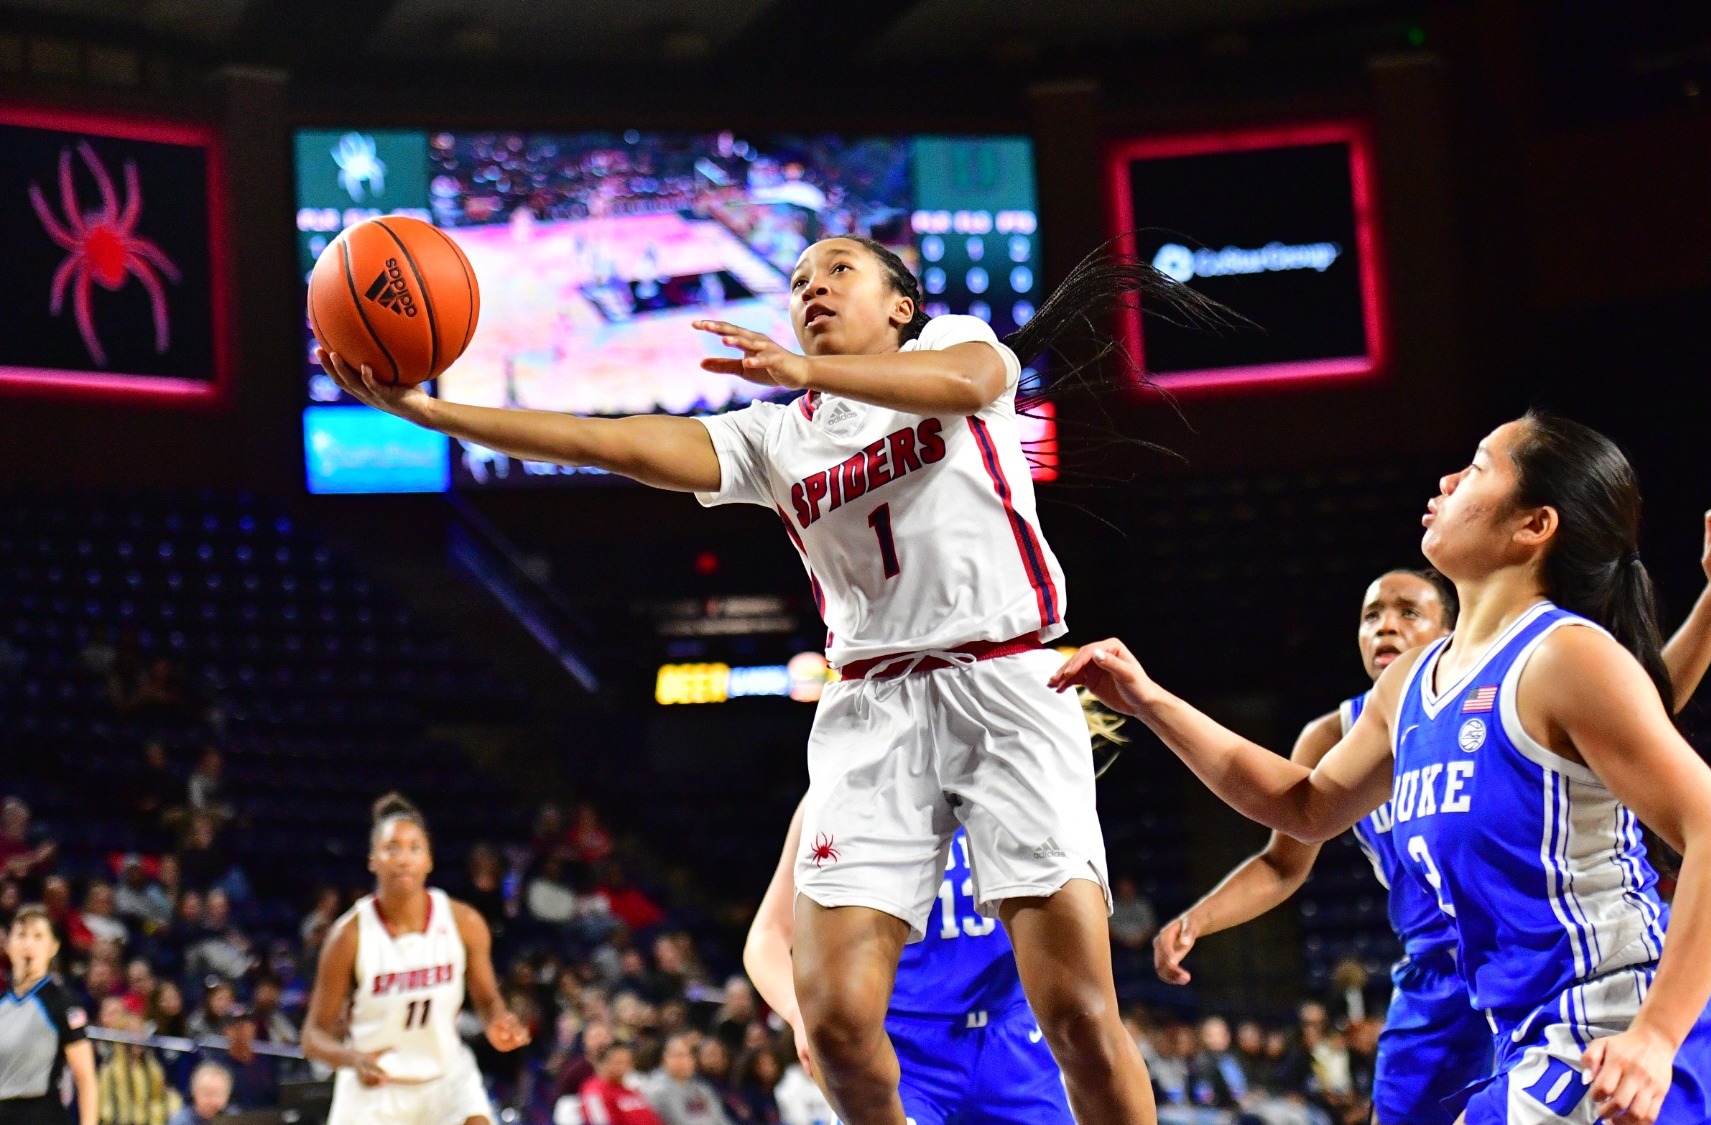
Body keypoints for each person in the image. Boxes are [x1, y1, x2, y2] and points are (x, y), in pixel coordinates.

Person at [322, 236, 1234, 1125]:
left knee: (1077, 1016)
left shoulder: (958, 346)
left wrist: (804, 370)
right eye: (798, 280)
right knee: (833, 1023)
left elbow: (966, 384)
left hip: (1003, 680)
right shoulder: (776, 437)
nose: (811, 287)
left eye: (838, 268)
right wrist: (435, 414)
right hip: (873, 705)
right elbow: (613, 443)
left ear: (902, 306)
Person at [1057, 413, 1711, 1125]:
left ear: (1533, 525)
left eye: (1478, 467)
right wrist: (1150, 701)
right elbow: (1302, 807)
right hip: (1528, 1037)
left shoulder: (1563, 655)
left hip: (1615, 1040)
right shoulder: (1409, 686)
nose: (1449, 480)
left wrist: (1656, 1037)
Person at [744, 813, 1073, 1125]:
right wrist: (800, 1013)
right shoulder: (844, 786)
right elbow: (767, 935)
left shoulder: (1018, 780)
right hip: (898, 1050)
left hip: (1013, 1043)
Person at [303, 794, 531, 1125]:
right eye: (392, 848)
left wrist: (498, 1022)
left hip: (446, 1078)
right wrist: (351, 1058)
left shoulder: (464, 922)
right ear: (373, 860)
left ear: (429, 861)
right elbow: (313, 1035)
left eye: (414, 848)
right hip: (376, 1085)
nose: (404, 859)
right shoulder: (348, 936)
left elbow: (486, 1000)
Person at [0, 906, 97, 1125]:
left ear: (53, 947)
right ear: (8, 945)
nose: (28, 944)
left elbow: (85, 1078)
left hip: (41, 1114)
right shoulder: (3, 1004)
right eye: (21, 935)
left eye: (38, 936)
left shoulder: (62, 1002)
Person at [96, 997, 181, 1125]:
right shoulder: (110, 1072)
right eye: (132, 1034)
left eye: (140, 1033)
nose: (137, 1039)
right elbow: (108, 1113)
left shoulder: (152, 1068)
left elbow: (166, 1100)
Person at [579, 1042, 665, 1125]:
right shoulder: (594, 1092)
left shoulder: (632, 1091)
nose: (624, 1067)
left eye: (628, 1062)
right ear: (602, 1063)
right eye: (618, 1062)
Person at [163, 1064, 230, 1125]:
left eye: (217, 1095)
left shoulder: (232, 1119)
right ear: (194, 1093)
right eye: (207, 1094)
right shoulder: (180, 1122)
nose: (212, 1101)